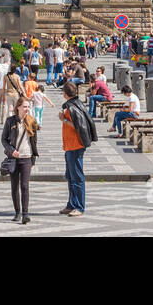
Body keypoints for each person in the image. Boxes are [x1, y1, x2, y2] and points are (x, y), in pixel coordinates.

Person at [2, 96, 39, 224]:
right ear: (18, 108)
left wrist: (33, 157)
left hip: (27, 157)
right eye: (24, 106)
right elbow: (4, 139)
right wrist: (11, 150)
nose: (27, 109)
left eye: (28, 107)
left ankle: (25, 214)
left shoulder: (32, 121)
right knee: (14, 186)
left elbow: (34, 140)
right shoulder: (10, 121)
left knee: (25, 186)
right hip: (14, 158)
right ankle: (17, 212)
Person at [59, 81, 92, 217]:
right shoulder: (74, 104)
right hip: (70, 146)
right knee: (71, 176)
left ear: (65, 94)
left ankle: (79, 206)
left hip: (75, 146)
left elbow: (78, 126)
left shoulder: (72, 108)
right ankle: (71, 204)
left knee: (77, 177)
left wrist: (64, 120)